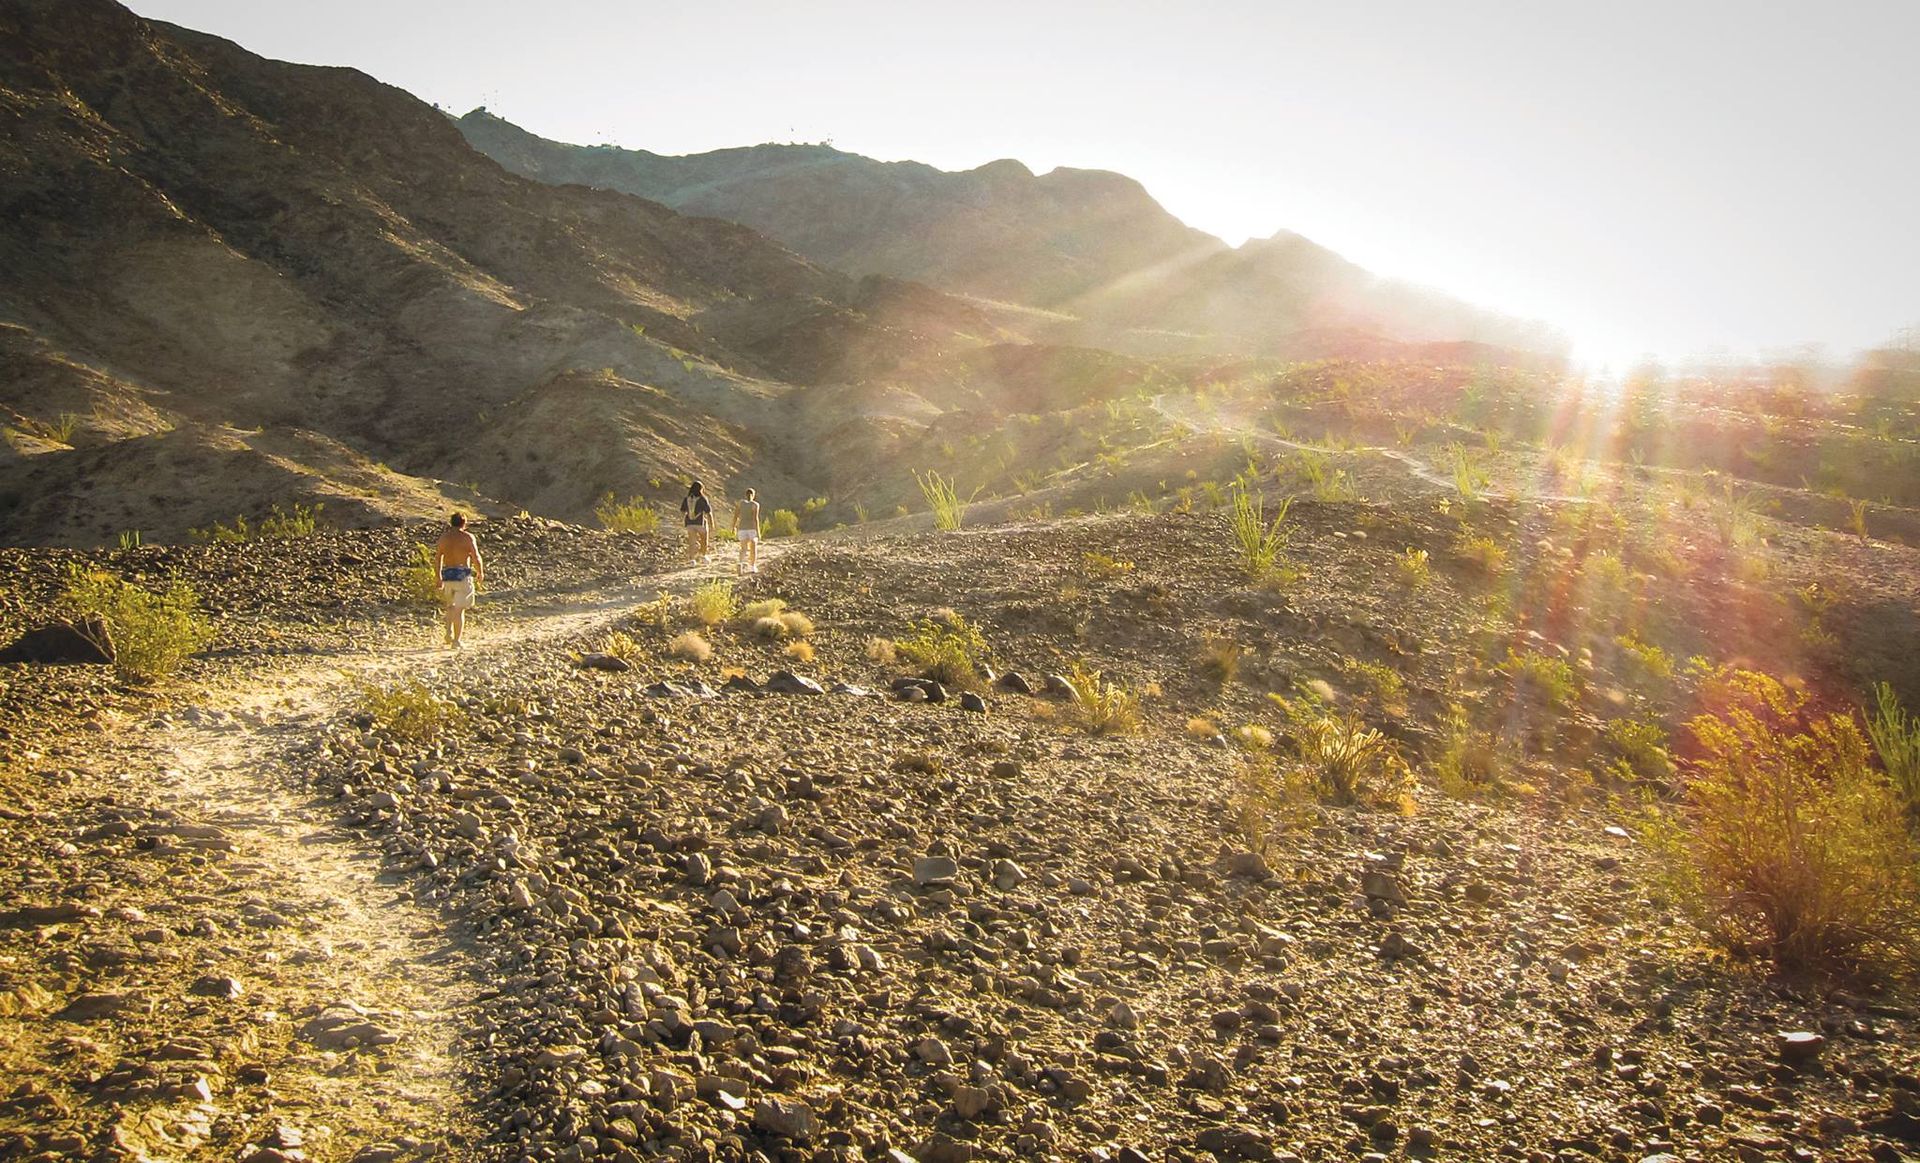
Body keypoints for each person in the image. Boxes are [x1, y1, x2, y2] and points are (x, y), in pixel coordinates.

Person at [435, 512, 484, 648]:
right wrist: (480, 572)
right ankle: (456, 641)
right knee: (459, 609)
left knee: (450, 606)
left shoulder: (444, 538)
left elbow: (438, 558)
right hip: (462, 574)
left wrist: (438, 576)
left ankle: (448, 633)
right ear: (464, 523)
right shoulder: (468, 537)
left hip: (447, 573)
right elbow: (475, 556)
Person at [679, 481, 713, 561]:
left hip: (689, 523)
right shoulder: (703, 499)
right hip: (700, 523)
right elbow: (708, 512)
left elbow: (682, 511)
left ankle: (692, 559)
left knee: (692, 542)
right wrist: (712, 524)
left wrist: (682, 521)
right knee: (704, 540)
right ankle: (703, 556)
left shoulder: (687, 499)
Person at [734, 487, 762, 575]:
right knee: (753, 547)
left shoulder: (740, 503)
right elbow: (755, 519)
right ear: (753, 495)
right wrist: (758, 531)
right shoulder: (755, 505)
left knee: (743, 548)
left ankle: (740, 563)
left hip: (742, 528)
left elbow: (736, 516)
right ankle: (752, 566)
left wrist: (733, 526)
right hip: (751, 528)